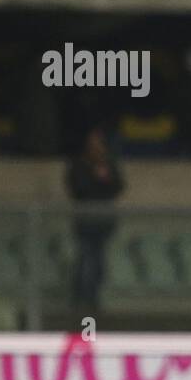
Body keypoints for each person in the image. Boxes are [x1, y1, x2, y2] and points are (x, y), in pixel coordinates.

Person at [66, 125, 125, 313]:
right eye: (92, 143)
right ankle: (80, 299)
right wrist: (96, 177)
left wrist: (105, 178)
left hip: (103, 222)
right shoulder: (79, 165)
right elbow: (78, 189)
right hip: (85, 221)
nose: (96, 147)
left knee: (99, 262)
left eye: (98, 143)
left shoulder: (109, 164)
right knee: (85, 259)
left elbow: (118, 187)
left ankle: (94, 299)